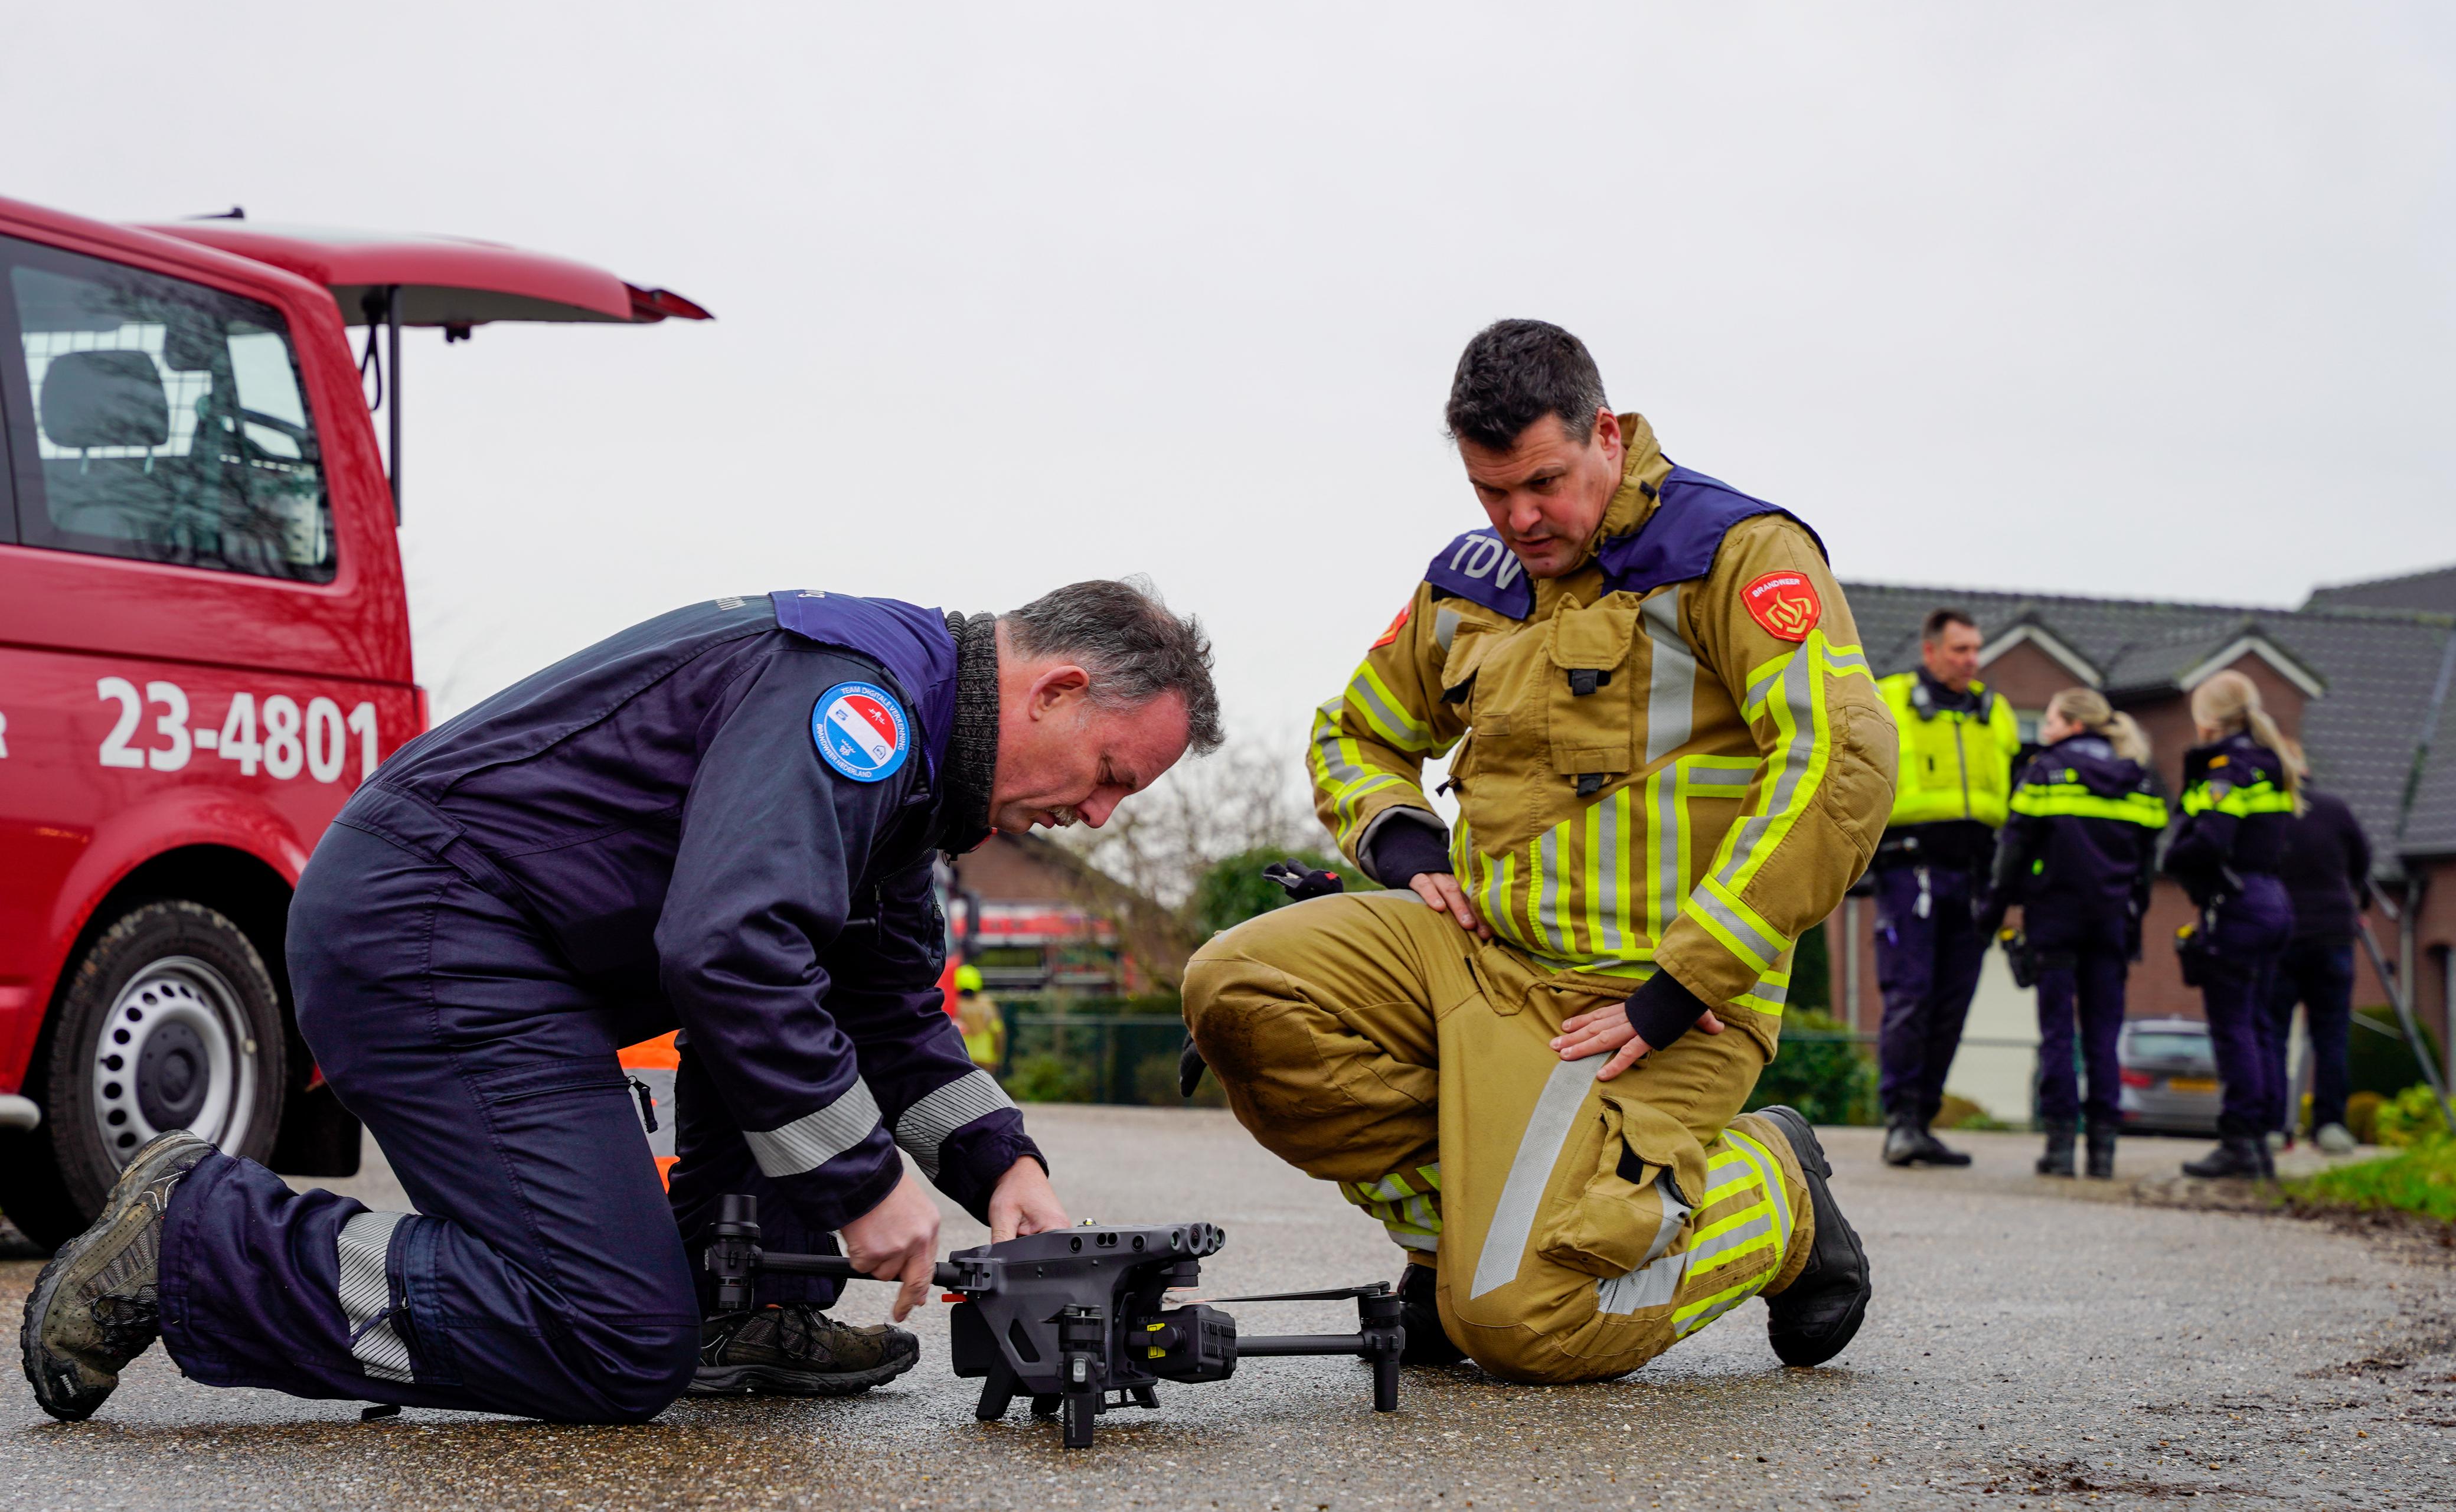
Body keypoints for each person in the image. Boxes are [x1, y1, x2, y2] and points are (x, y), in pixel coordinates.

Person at [24, 581, 1221, 1425]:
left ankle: (737, 1304)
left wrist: (1001, 1166)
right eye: (1112, 774)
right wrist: (861, 1182)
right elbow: (729, 948)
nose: (1100, 815)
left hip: (489, 944)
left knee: (788, 1024)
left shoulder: (907, 779)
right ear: (1058, 689)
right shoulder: (855, 706)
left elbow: (892, 1022)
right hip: (428, 934)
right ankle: (206, 1239)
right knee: (609, 1336)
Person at [1184, 319, 1893, 1387]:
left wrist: (1683, 980)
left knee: (1527, 1323)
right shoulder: (1469, 580)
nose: (1519, 518)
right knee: (1236, 986)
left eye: (1544, 483)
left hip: (1645, 1004)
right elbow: (1354, 731)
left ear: (1605, 433)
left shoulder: (1734, 551)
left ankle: (1773, 1189)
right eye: (1489, 491)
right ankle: (1452, 1243)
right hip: (1477, 959)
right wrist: (1400, 831)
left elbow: (1839, 766)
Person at [1975, 689, 2166, 1179]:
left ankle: (2060, 1147)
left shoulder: (2044, 771)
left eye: (2053, 719)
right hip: (2113, 922)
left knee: (2059, 1033)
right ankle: (2103, 1153)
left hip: (2055, 918)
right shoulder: (2140, 778)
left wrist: (1993, 911)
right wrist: (2134, 915)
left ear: (2076, 725)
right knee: (2104, 1036)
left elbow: (2012, 851)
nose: (2045, 729)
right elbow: (2147, 867)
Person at [1870, 609, 2023, 1168]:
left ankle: (1924, 1120)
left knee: (1953, 1005)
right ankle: (1900, 1122)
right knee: (1911, 996)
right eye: (1960, 649)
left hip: (1977, 872)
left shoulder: (1996, 711)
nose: (1971, 660)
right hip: (1913, 869)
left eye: (1976, 649)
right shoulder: (1889, 697)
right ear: (1930, 651)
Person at [2161, 669, 2300, 1180]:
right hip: (2272, 899)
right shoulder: (2272, 762)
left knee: (2233, 1026)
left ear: (2207, 718)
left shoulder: (2227, 766)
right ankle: (2261, 1138)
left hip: (2238, 904)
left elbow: (2211, 839)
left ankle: (2239, 1139)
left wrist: (2176, 857)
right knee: (2261, 1024)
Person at [2268, 744, 2371, 1156]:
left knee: (2273, 1033)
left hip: (2281, 935)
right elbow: (2363, 860)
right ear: (2305, 767)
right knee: (2331, 1032)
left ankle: (2274, 1124)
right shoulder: (2334, 808)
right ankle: (2330, 1124)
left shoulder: (2268, 812)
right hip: (2333, 933)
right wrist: (2354, 898)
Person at [953, 964, 1007, 1070]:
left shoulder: (955, 1004)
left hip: (963, 1058)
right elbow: (999, 1033)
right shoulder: (987, 1004)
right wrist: (999, 1056)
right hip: (986, 1059)